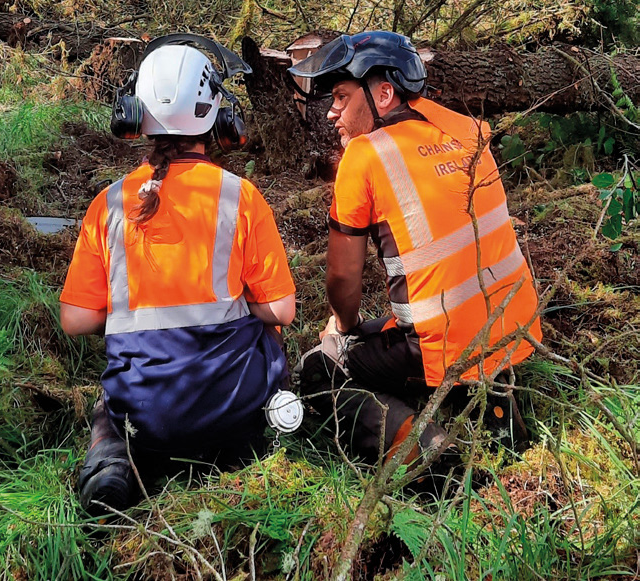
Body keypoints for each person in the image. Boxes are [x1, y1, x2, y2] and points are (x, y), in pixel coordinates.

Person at [60, 35, 296, 512]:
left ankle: (110, 459)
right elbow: (284, 311)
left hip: (145, 420)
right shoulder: (240, 196)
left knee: (110, 402)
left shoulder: (107, 205)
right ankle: (273, 427)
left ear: (134, 114)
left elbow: (74, 320)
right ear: (218, 117)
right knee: (268, 331)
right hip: (233, 417)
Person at [289, 31, 541, 468]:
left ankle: (423, 453)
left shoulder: (365, 155)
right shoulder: (468, 132)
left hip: (443, 343)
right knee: (383, 330)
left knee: (320, 365)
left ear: (384, 92)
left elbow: (343, 279)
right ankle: (498, 410)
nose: (332, 112)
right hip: (513, 322)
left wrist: (343, 329)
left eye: (343, 97)